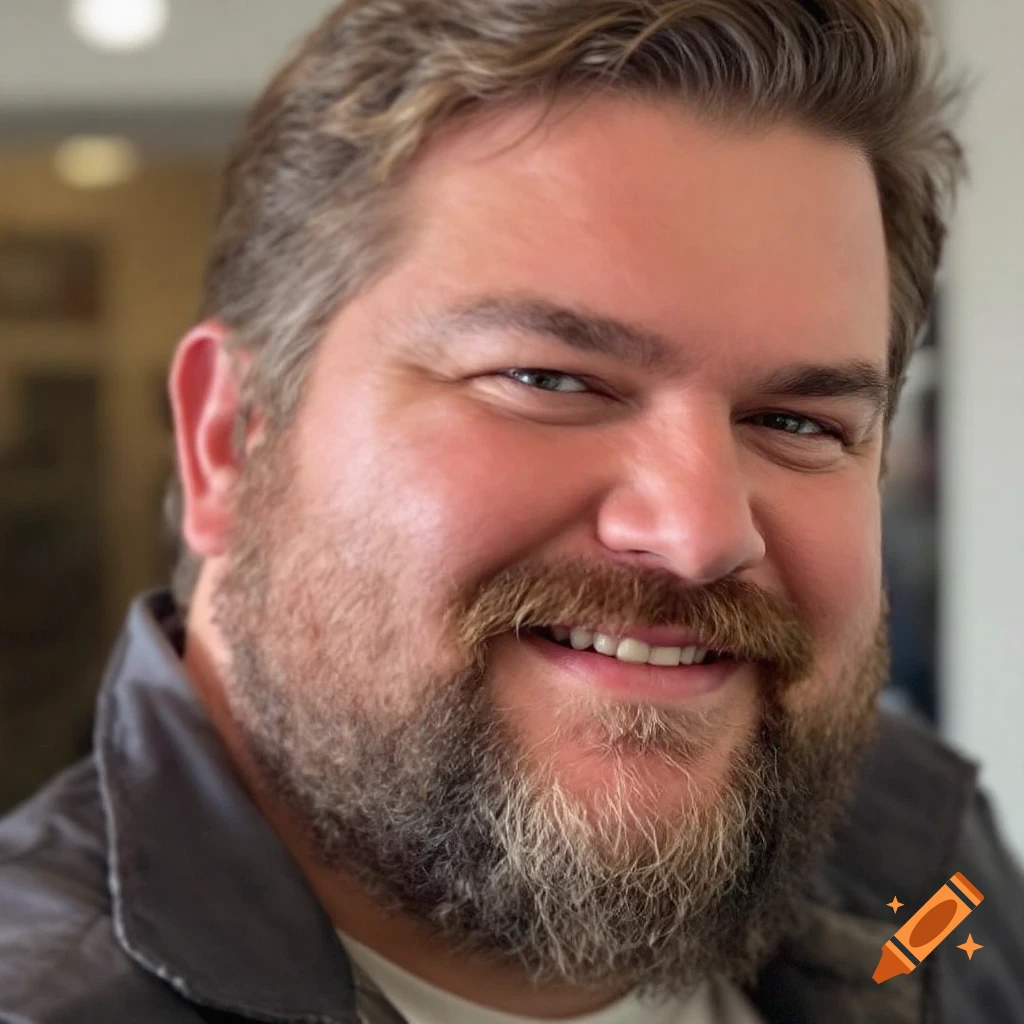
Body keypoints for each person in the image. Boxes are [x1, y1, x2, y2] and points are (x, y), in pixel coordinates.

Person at [2, 1, 1022, 1021]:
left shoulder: (922, 859)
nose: (701, 532)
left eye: (797, 423)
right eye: (549, 378)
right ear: (227, 440)